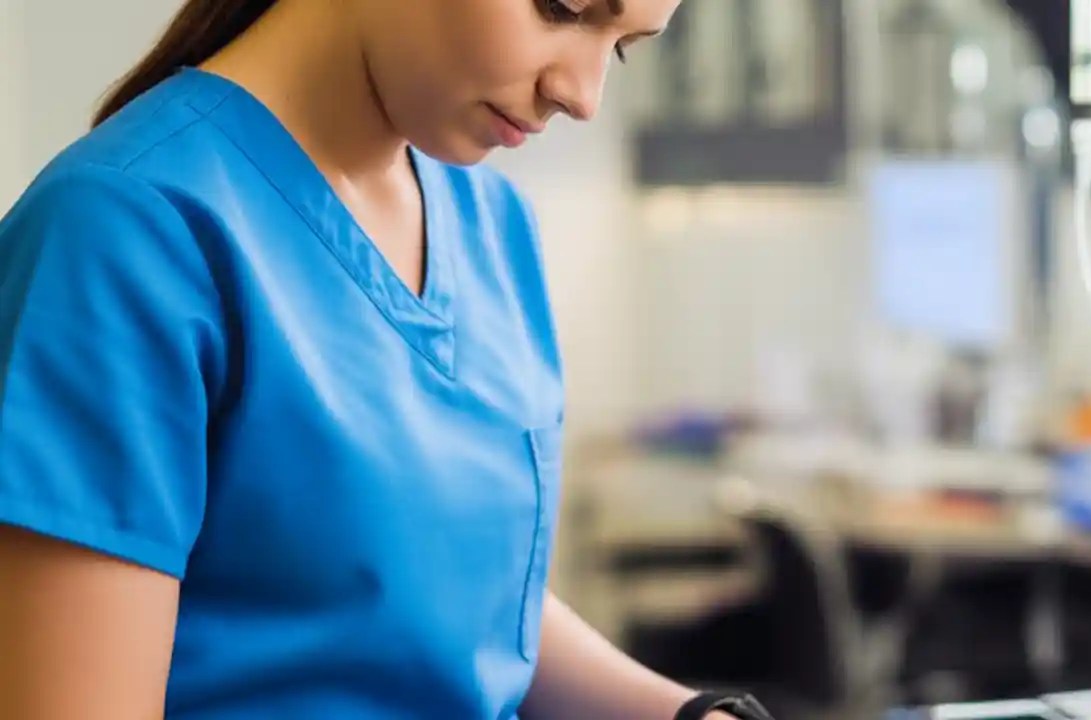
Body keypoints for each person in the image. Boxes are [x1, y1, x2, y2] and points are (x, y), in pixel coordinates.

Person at [0, 1, 773, 718]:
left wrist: (690, 715)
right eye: (564, 7)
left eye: (625, 48)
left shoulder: (494, 225)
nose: (583, 94)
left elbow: (462, 605)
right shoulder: (123, 234)